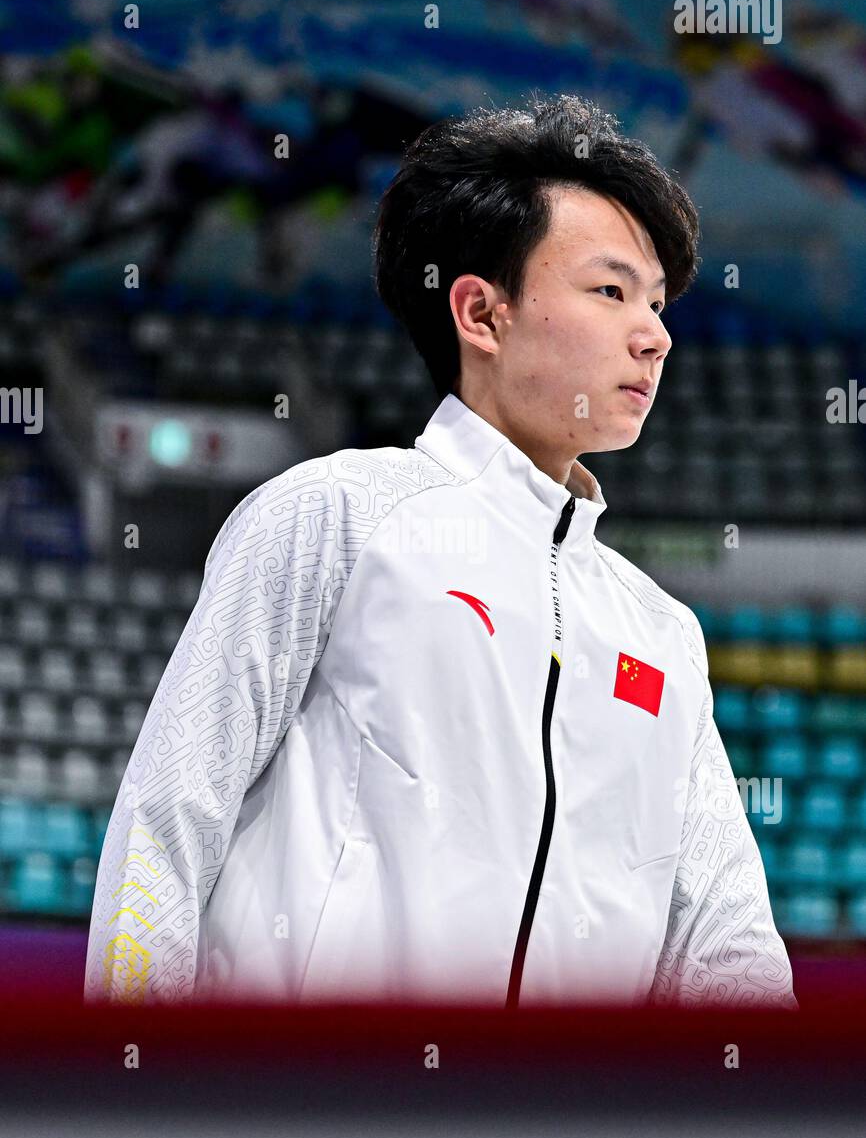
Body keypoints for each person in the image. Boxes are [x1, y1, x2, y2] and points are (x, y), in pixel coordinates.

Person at [84, 94, 797, 1010]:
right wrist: (143, 1094)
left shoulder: (661, 634)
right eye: (612, 291)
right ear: (480, 313)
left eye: (658, 304)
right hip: (296, 1131)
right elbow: (167, 824)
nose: (655, 334)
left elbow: (728, 950)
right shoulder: (335, 518)